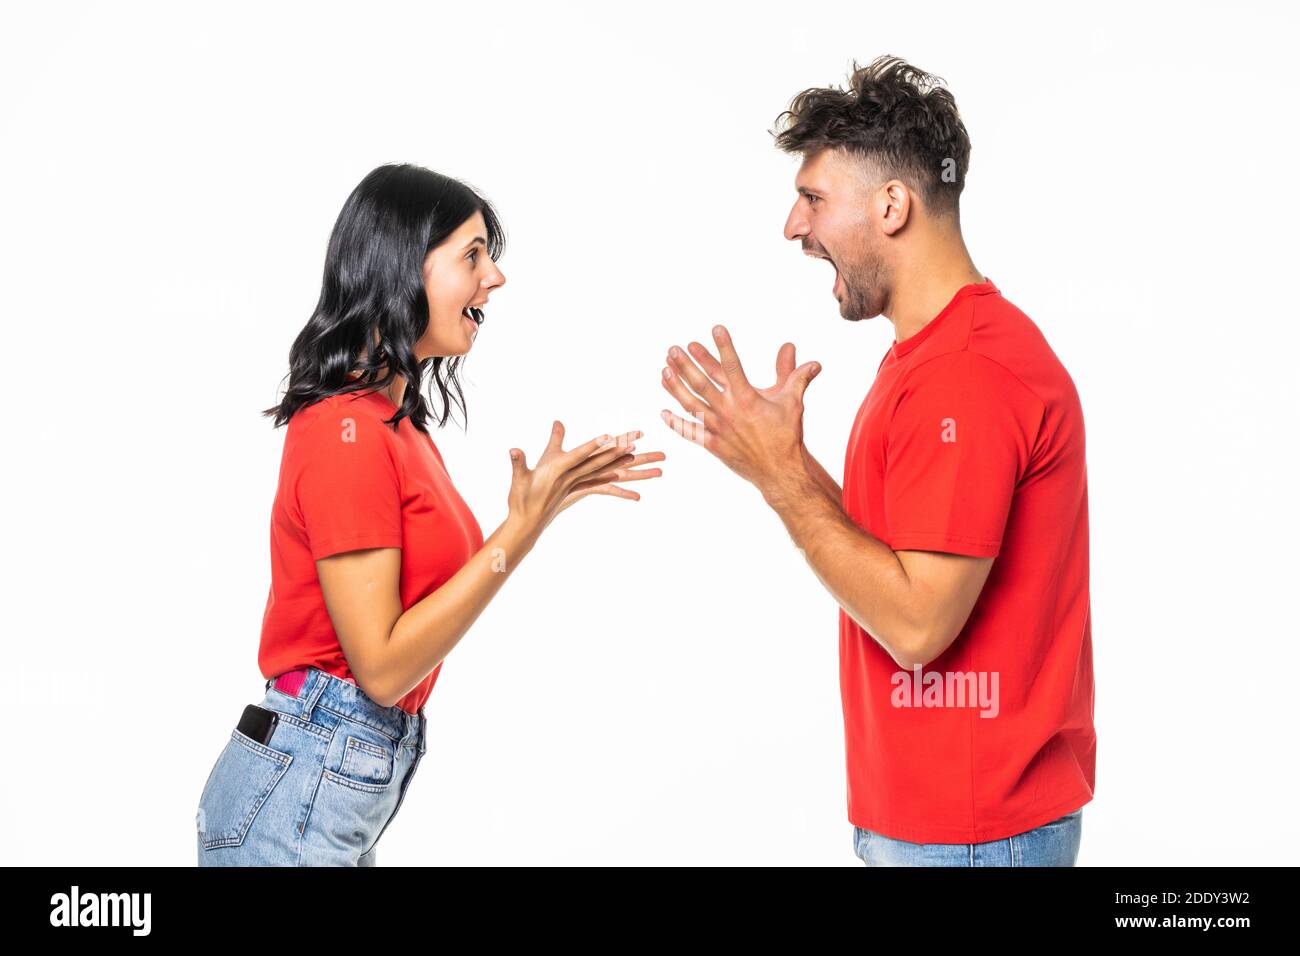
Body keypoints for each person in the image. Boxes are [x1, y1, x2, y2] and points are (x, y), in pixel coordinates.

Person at [657, 56, 1093, 866]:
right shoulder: (932, 356)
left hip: (971, 835)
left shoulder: (969, 374)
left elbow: (917, 623)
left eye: (814, 199)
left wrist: (784, 479)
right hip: (942, 825)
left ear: (893, 205)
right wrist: (776, 463)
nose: (794, 227)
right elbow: (895, 554)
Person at [195, 163, 665, 866]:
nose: (495, 277)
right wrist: (520, 531)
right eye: (472, 255)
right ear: (400, 268)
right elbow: (381, 668)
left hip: (324, 787)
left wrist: (540, 512)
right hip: (298, 791)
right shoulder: (345, 430)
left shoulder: (396, 426)